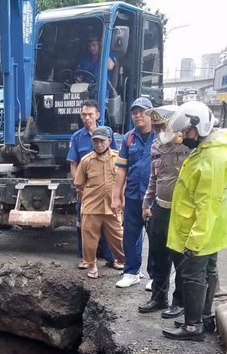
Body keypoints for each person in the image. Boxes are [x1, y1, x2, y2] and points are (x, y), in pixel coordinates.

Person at [160, 101, 227, 341]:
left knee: (193, 274)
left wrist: (195, 240)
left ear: (200, 127)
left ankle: (192, 326)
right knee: (207, 270)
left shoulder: (213, 157)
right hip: (207, 227)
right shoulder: (208, 149)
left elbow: (208, 203)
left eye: (186, 132)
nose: (184, 137)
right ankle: (203, 318)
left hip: (201, 228)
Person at [138, 106, 189, 316]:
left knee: (180, 256)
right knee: (158, 254)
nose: (159, 131)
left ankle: (180, 302)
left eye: (162, 127)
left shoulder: (187, 146)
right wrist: (146, 202)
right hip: (160, 206)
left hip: (180, 210)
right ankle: (158, 298)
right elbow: (154, 178)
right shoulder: (156, 146)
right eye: (156, 127)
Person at [67, 100, 121, 269]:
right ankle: (87, 260)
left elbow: (117, 160)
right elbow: (74, 164)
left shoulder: (107, 133)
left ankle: (112, 258)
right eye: (84, 114)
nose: (87, 118)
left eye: (90, 114)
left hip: (108, 190)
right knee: (84, 226)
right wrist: (79, 189)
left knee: (112, 227)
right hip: (88, 191)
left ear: (97, 115)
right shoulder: (77, 137)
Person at [111, 97, 155, 287]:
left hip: (154, 197)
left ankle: (155, 276)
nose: (138, 115)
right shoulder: (129, 138)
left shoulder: (161, 136)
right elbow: (121, 169)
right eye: (134, 112)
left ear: (151, 113)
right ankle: (131, 272)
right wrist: (116, 197)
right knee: (130, 235)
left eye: (142, 112)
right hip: (133, 195)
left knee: (155, 237)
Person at [73, 126, 125, 279]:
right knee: (89, 240)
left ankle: (125, 263)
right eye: (96, 141)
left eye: (102, 141)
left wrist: (121, 200)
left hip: (112, 207)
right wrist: (90, 195)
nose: (99, 144)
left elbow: (124, 180)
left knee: (118, 237)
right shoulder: (86, 160)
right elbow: (79, 183)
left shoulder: (118, 159)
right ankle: (92, 265)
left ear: (109, 140)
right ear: (92, 142)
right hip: (91, 207)